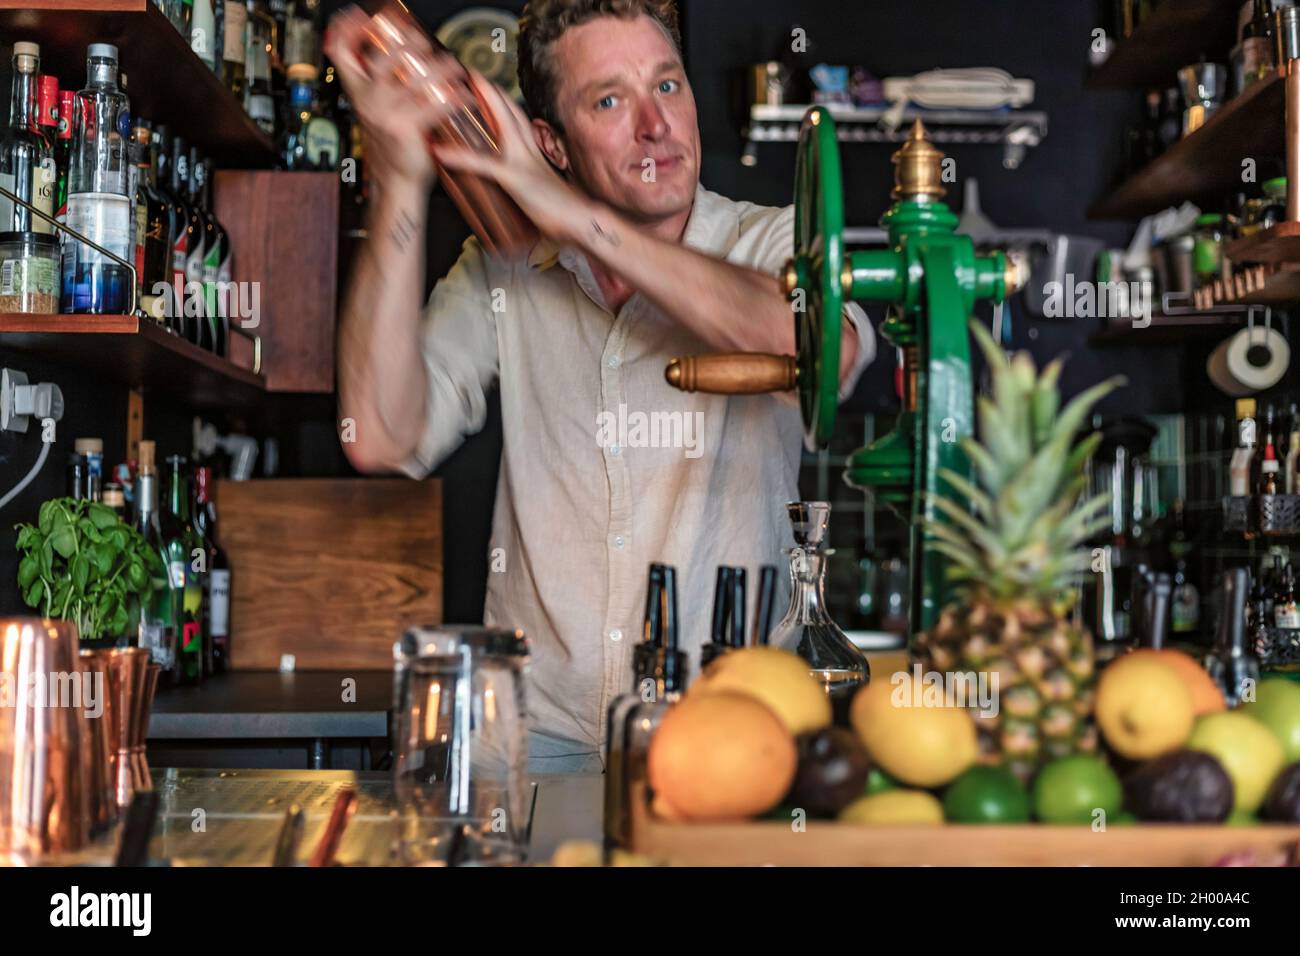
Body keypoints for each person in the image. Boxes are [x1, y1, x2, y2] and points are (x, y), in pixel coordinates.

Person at [330, 0, 875, 772]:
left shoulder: (770, 241)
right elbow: (378, 437)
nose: (656, 126)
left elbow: (829, 352)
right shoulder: (505, 271)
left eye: (669, 86)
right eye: (610, 100)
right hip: (529, 739)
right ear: (550, 142)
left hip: (729, 729)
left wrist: (575, 216)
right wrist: (396, 180)